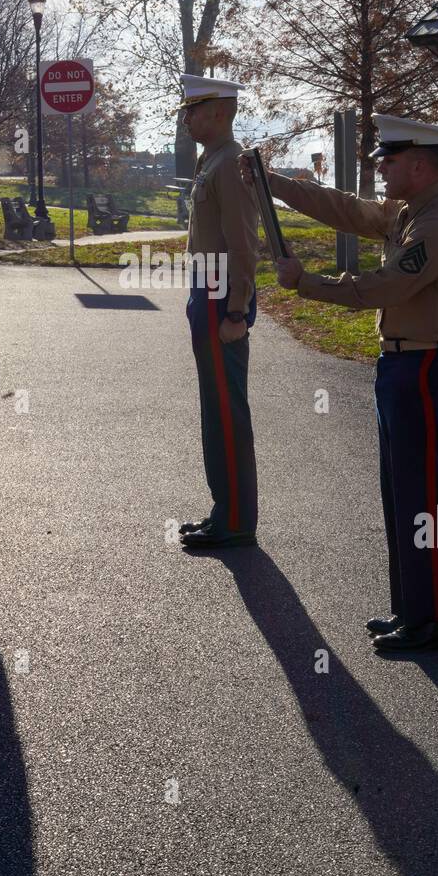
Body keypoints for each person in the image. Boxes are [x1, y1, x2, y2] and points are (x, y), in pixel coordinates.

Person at [241, 114, 438, 650]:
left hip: (424, 368)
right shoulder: (412, 210)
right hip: (405, 365)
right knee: (403, 492)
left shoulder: (437, 224)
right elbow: (343, 210)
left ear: (419, 165)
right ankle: (413, 609)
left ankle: (433, 618)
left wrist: (307, 284)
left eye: (388, 161)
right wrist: (273, 184)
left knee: (423, 497)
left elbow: (385, 287)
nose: (381, 168)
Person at [178, 74, 260, 551]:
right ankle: (224, 510)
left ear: (218, 113)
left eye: (193, 110)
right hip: (205, 289)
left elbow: (243, 242)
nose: (187, 119)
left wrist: (237, 309)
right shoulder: (213, 161)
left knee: (228, 410)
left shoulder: (231, 164)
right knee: (216, 407)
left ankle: (235, 519)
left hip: (220, 293)